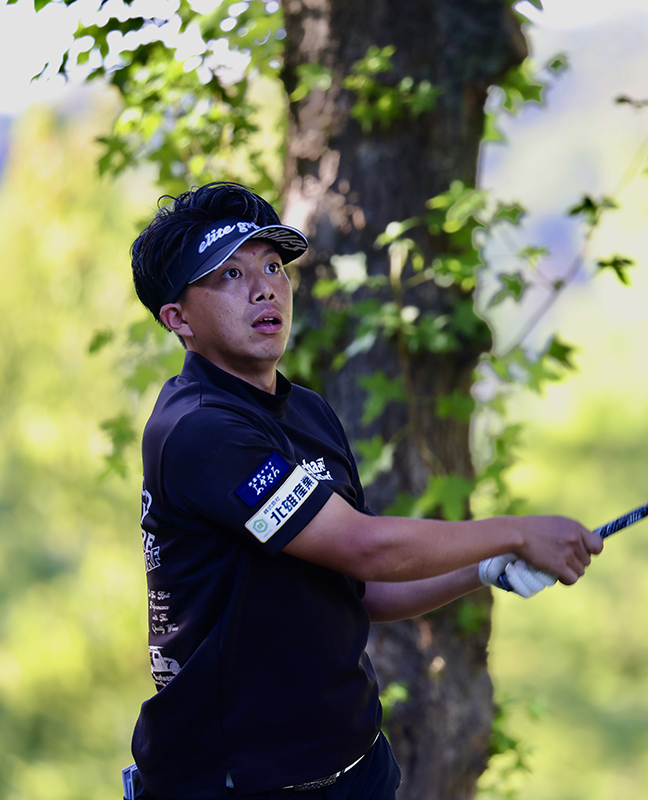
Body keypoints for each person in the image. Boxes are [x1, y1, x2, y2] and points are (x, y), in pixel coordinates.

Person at [126, 182, 601, 799]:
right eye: (229, 274)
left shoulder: (309, 415)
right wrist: (515, 529)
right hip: (233, 783)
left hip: (355, 771)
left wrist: (483, 566)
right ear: (178, 319)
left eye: (273, 266)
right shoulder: (197, 430)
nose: (265, 286)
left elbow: (365, 587)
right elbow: (364, 548)